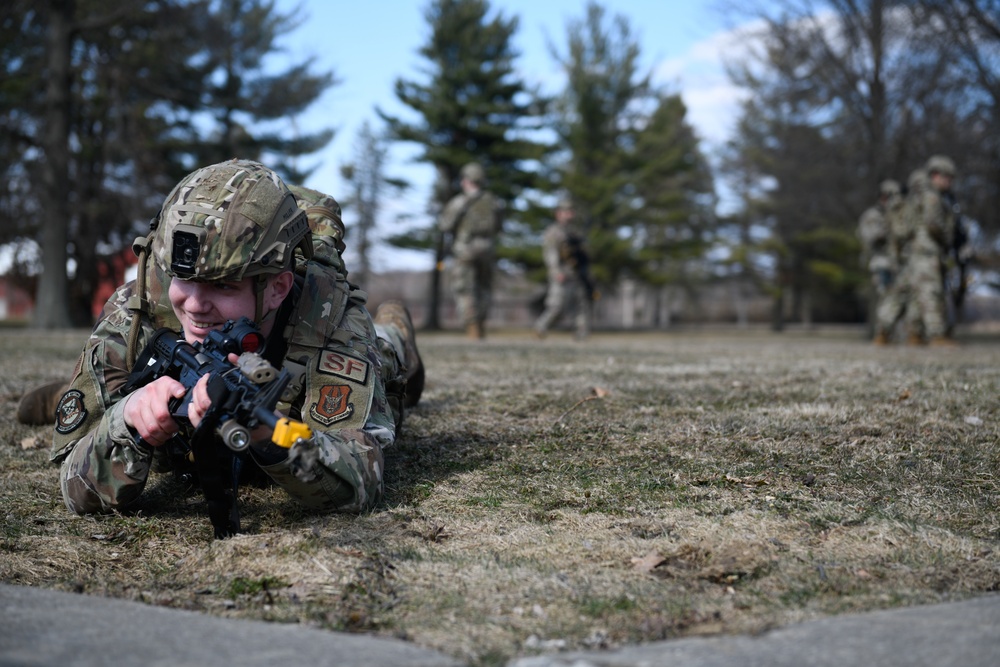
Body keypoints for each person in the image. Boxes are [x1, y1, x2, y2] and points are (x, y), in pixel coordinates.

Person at [22, 159, 423, 533]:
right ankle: (77, 389)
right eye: (185, 280)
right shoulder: (138, 310)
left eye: (224, 286)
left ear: (277, 288)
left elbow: (361, 476)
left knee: (385, 355)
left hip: (331, 371)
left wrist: (274, 435)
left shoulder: (332, 320)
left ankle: (395, 330)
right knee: (118, 390)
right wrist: (126, 421)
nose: (195, 305)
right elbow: (74, 485)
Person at [438, 162, 502, 339]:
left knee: (464, 289)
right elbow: (498, 226)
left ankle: (472, 327)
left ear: (466, 180)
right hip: (487, 249)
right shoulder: (493, 201)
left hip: (465, 250)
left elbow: (445, 225)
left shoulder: (460, 202)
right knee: (484, 288)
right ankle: (481, 324)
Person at [905, 155, 960, 347]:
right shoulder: (932, 196)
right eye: (947, 177)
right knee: (931, 291)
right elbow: (933, 224)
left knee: (917, 294)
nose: (949, 182)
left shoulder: (920, 195)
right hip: (927, 251)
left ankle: (914, 335)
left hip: (917, 251)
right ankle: (936, 335)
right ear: (935, 175)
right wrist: (947, 238)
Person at [534, 195, 593, 340]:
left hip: (577, 273)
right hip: (562, 273)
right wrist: (555, 271)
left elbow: (583, 254)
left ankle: (582, 333)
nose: (570, 214)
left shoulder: (575, 232)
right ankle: (541, 327)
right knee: (557, 306)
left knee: (581, 304)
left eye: (571, 211)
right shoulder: (554, 232)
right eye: (567, 211)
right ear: (558, 213)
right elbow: (550, 253)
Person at [857, 179, 901, 336]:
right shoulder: (873, 216)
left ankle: (890, 333)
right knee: (884, 298)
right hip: (881, 263)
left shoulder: (897, 215)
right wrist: (889, 225)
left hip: (898, 264)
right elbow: (873, 238)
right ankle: (880, 333)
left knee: (896, 299)